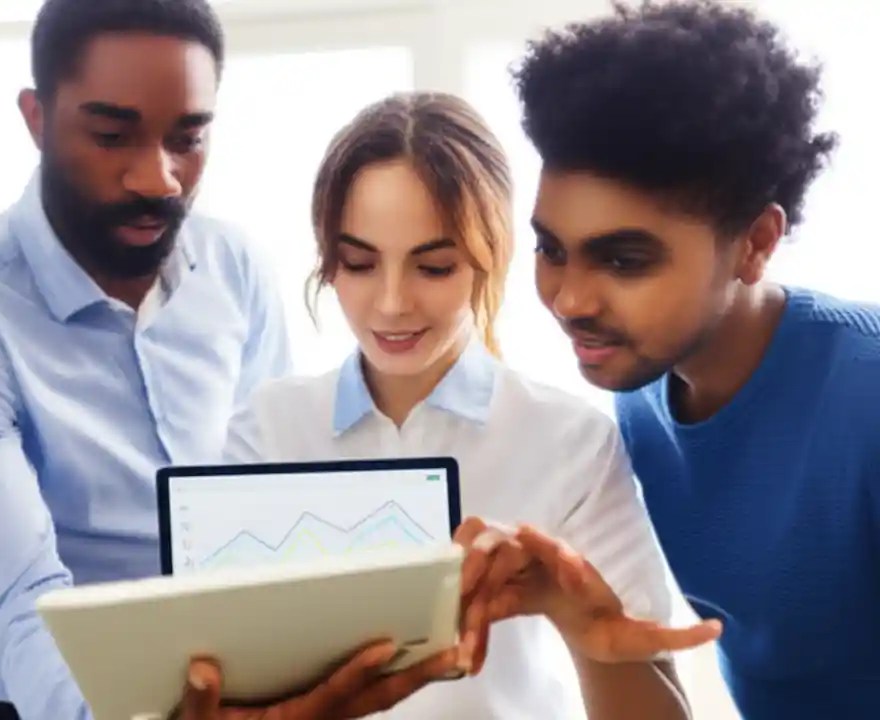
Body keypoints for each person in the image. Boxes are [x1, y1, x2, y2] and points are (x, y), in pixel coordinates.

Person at [0, 1, 456, 718]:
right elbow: (18, 598)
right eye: (111, 136)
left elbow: (272, 502)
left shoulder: (235, 268)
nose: (159, 179)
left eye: (187, 138)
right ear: (37, 118)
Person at [221, 90, 719, 719]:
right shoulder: (265, 431)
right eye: (359, 263)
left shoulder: (571, 442)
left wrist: (570, 613)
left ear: (490, 258)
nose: (392, 303)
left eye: (433, 267)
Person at [477, 1, 879, 717]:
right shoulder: (640, 397)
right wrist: (574, 616)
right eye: (551, 248)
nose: (568, 298)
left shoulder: (866, 395)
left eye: (624, 260)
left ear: (756, 243)